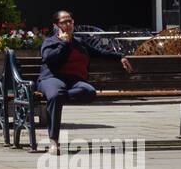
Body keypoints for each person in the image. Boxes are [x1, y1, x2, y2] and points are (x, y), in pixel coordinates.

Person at [38, 10, 133, 156]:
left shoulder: (79, 43)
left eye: (70, 21)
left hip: (74, 82)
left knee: (89, 92)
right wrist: (63, 44)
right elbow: (50, 59)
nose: (68, 24)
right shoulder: (50, 42)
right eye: (64, 22)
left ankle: (58, 97)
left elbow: (99, 52)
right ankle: (54, 141)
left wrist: (120, 56)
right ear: (56, 25)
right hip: (52, 79)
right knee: (56, 94)